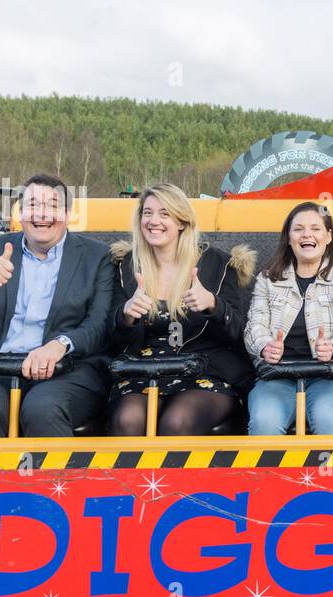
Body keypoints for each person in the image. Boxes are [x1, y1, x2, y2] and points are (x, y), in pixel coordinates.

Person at [0, 173, 115, 437]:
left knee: (42, 409)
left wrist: (59, 344)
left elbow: (99, 324)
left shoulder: (97, 257)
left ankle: (57, 480)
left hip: (67, 372)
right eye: (33, 205)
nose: (42, 214)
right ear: (21, 212)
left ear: (68, 214)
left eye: (52, 205)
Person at [107, 183, 257, 436]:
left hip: (204, 371)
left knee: (177, 422)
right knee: (128, 419)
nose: (154, 221)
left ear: (182, 222)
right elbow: (109, 339)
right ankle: (132, 478)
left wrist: (213, 305)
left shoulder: (217, 264)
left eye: (165, 214)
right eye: (148, 213)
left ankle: (171, 478)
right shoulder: (127, 266)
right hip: (142, 370)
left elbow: (240, 332)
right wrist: (126, 316)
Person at [243, 201, 333, 435]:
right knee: (264, 422)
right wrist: (265, 347)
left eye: (315, 229)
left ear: (328, 237)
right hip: (278, 377)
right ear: (289, 238)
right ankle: (271, 474)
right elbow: (254, 326)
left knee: (327, 418)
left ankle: (327, 473)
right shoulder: (268, 279)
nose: (307, 234)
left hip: (332, 377)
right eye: (298, 229)